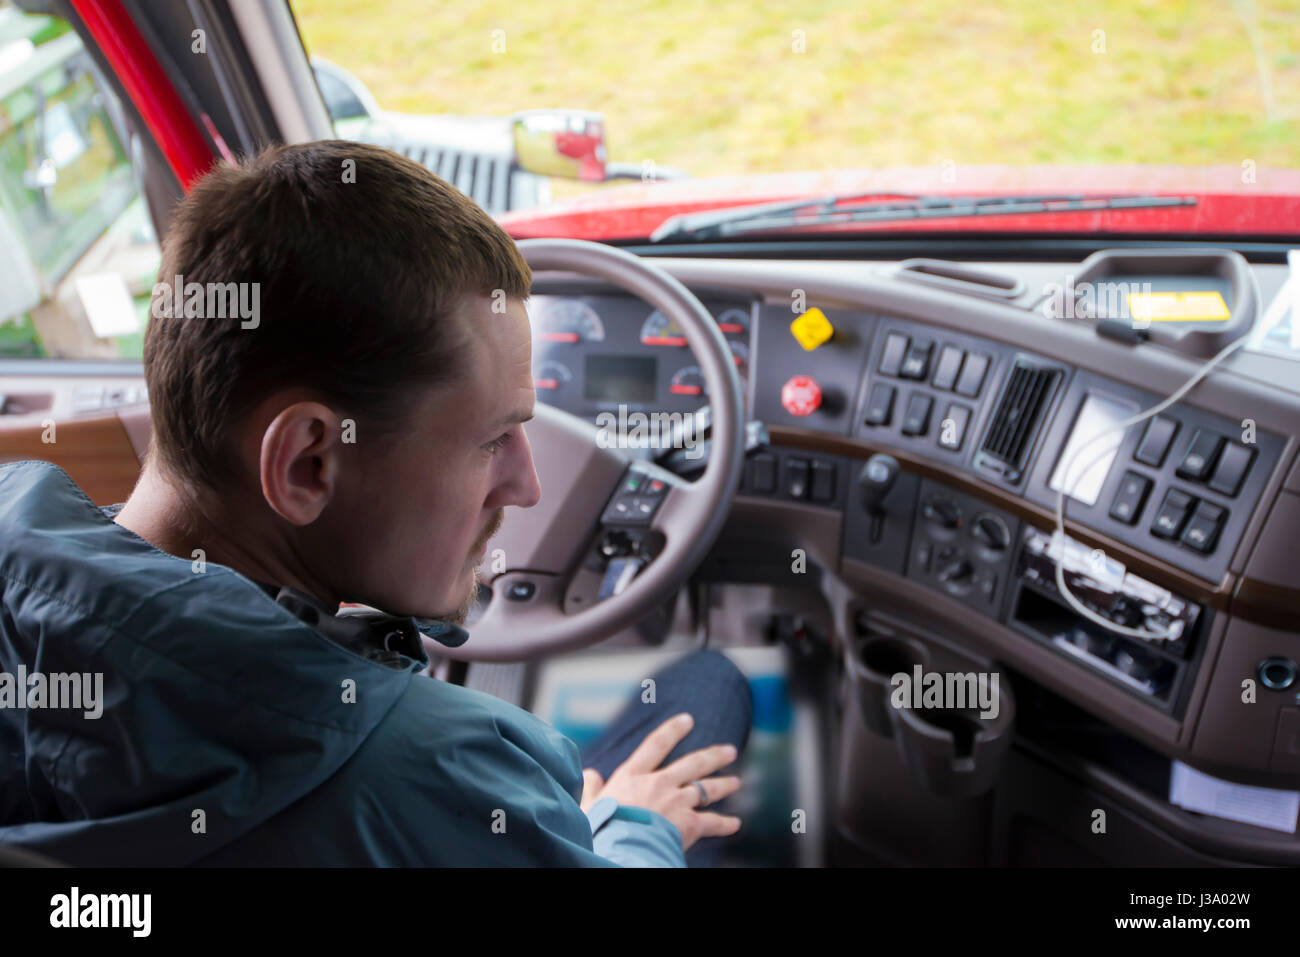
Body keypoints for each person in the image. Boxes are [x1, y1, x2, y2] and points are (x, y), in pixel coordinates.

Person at [0, 141, 751, 867]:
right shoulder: (435, 774)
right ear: (307, 462)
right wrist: (626, 825)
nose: (529, 484)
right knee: (708, 687)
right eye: (494, 440)